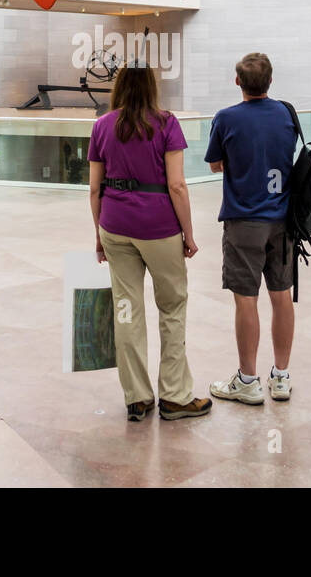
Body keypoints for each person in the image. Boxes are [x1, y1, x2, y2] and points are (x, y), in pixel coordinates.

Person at [88, 63, 210, 422]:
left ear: (119, 88)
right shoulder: (167, 123)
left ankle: (137, 398)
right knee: (171, 307)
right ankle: (174, 397)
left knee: (127, 309)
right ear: (151, 88)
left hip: (115, 224)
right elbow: (177, 185)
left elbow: (95, 188)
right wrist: (188, 233)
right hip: (159, 228)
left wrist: (98, 234)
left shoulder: (101, 125)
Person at [204, 52, 298, 406]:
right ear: (271, 81)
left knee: (246, 300)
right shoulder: (286, 114)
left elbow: (215, 165)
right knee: (282, 295)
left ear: (237, 82)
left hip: (244, 220)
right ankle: (281, 377)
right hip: (283, 219)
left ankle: (247, 380)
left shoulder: (226, 118)